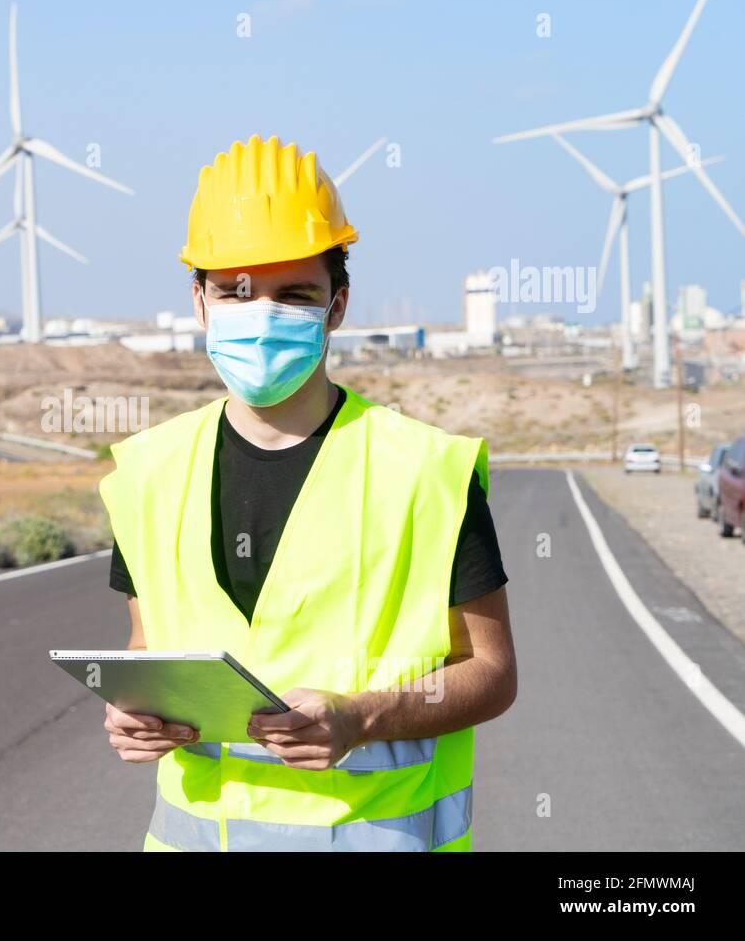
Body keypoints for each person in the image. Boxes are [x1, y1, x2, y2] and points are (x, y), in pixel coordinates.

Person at [98, 135, 516, 851]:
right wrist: (137, 715)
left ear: (338, 306)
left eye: (294, 294)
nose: (261, 313)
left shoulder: (425, 471)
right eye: (235, 290)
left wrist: (366, 716)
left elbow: (491, 673)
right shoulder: (148, 475)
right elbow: (146, 649)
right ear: (200, 302)